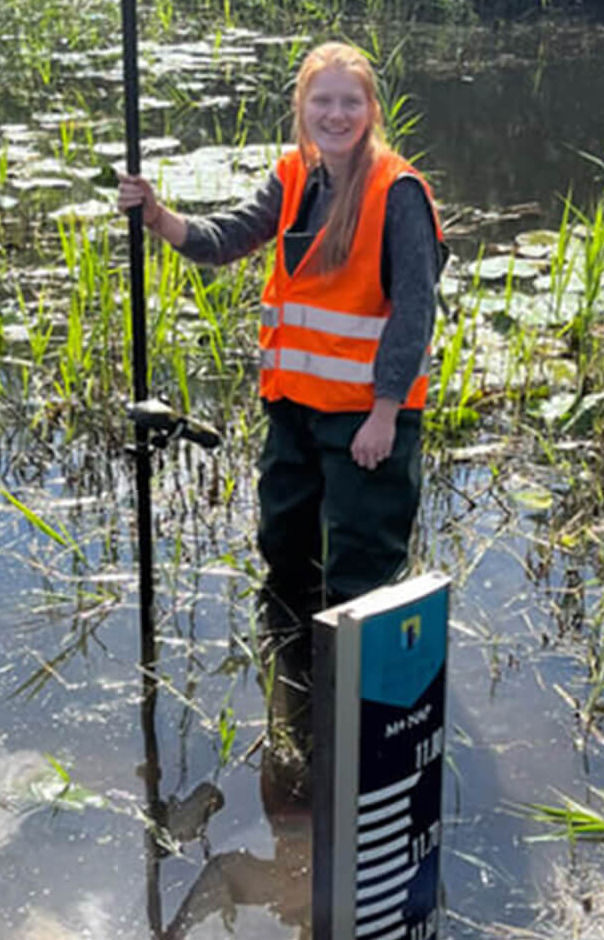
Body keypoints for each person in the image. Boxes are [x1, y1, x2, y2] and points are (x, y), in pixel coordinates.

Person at [118, 40, 444, 627]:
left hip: (363, 416)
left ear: (370, 109)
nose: (335, 115)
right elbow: (231, 236)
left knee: (359, 575)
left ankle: (357, 703)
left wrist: (385, 414)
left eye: (350, 102)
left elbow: (415, 311)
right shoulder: (294, 175)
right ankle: (294, 687)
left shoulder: (399, 192)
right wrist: (159, 218)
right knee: (285, 550)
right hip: (292, 408)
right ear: (302, 106)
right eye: (323, 101)